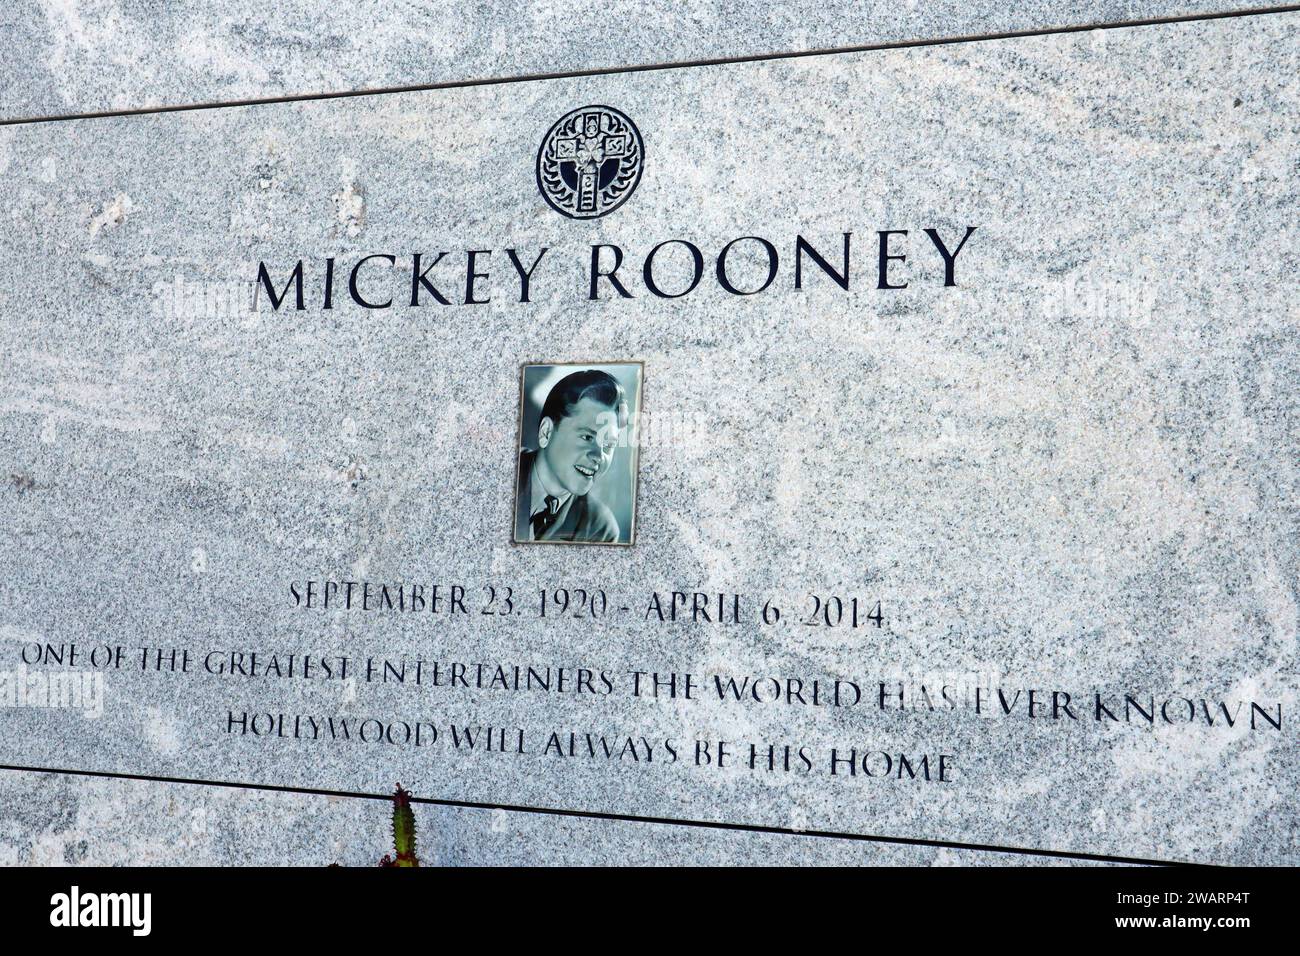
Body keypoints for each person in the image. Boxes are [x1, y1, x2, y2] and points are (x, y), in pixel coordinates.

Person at [515, 368, 626, 544]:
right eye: (587, 437)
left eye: (608, 445)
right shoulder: (501, 470)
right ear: (546, 432)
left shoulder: (600, 529)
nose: (598, 456)